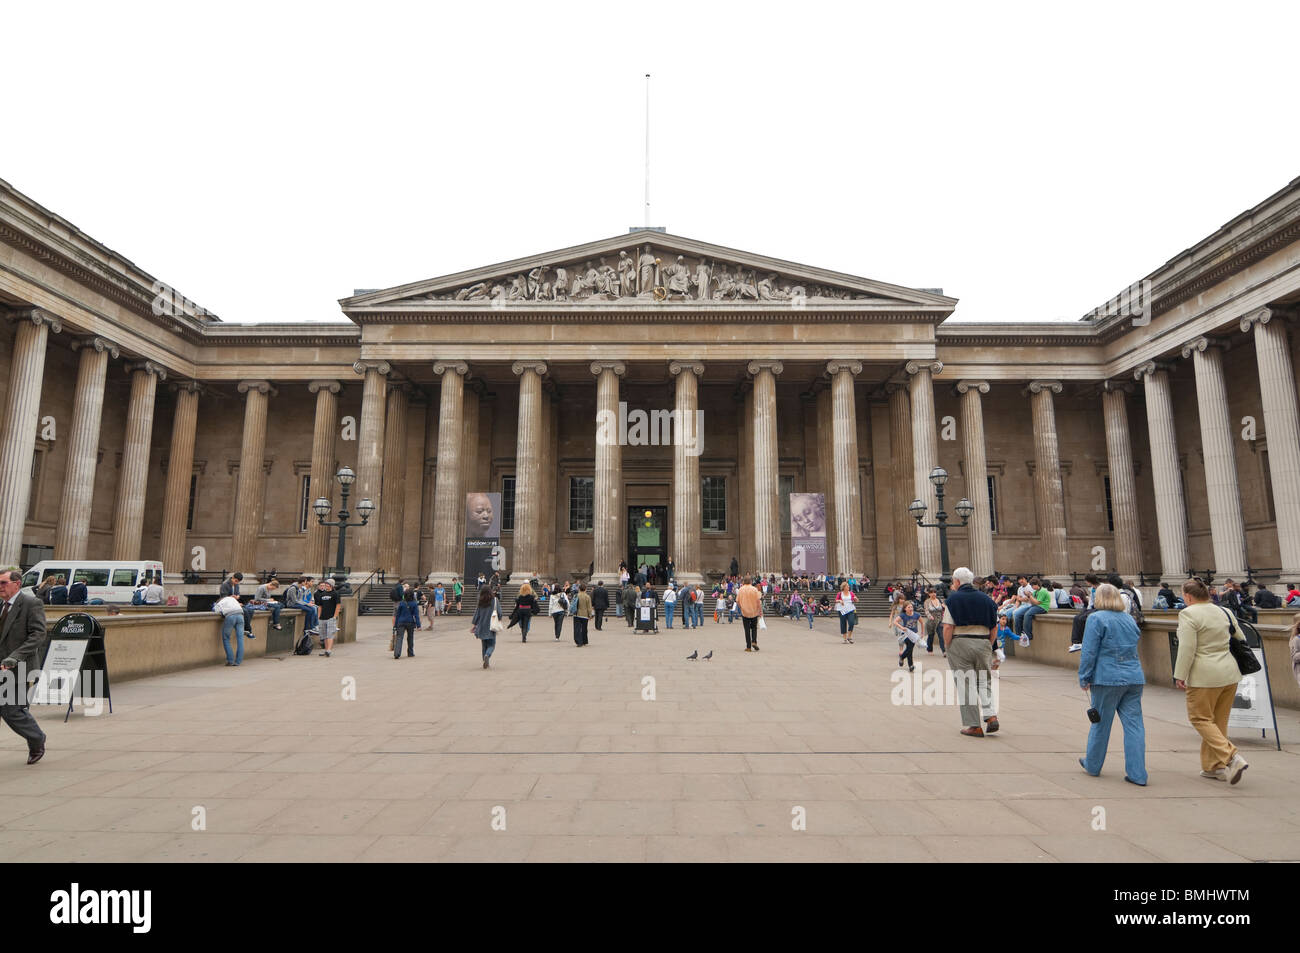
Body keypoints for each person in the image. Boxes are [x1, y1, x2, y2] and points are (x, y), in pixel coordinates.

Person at [1174, 577, 1248, 783]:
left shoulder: (1188, 613)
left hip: (1203, 675)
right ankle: (1212, 767)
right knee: (1217, 722)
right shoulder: (1224, 611)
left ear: (1188, 596)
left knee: (1200, 719)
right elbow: (1241, 637)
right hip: (1229, 672)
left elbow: (1187, 648)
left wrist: (1180, 674)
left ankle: (1231, 756)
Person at [1077, 583, 1147, 785]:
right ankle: (1138, 773)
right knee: (1134, 726)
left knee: (1100, 723)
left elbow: (1089, 651)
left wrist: (1084, 676)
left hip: (1107, 677)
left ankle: (1092, 764)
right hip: (1134, 677)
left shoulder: (1096, 618)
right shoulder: (1128, 619)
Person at [942, 567, 1001, 737]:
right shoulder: (988, 600)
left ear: (957, 582)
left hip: (960, 641)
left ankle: (974, 725)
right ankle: (991, 716)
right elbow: (994, 627)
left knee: (965, 683)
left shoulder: (953, 600)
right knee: (984, 681)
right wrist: (988, 644)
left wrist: (948, 646)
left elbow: (948, 626)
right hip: (983, 641)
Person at [0, 570, 49, 764]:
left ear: (17, 584)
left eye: (3, 583)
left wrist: (14, 657)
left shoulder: (32, 604)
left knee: (12, 711)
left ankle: (36, 739)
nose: (0, 587)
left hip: (18, 668)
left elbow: (37, 635)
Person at [470, 586, 500, 669]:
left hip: (482, 625)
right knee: (492, 645)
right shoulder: (495, 600)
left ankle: (485, 661)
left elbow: (477, 614)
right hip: (491, 625)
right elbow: (499, 613)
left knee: (484, 645)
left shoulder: (480, 601)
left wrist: (474, 624)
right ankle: (488, 655)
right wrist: (499, 618)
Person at [213, 592, 246, 666]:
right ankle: (238, 661)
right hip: (240, 615)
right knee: (240, 639)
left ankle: (230, 660)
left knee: (226, 638)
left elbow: (216, 611)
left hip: (230, 616)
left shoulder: (219, 603)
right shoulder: (232, 599)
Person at [314, 579, 341, 657]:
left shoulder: (335, 594)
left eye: (327, 585)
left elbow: (338, 605)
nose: (325, 586)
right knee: (324, 635)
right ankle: (326, 650)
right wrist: (318, 616)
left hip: (331, 617)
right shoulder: (322, 594)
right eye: (325, 584)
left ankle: (329, 650)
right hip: (322, 617)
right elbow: (320, 606)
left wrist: (335, 616)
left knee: (330, 634)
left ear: (331, 585)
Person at [893, 600, 922, 671]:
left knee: (910, 649)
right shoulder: (903, 615)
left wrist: (922, 633)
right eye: (909, 607)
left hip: (914, 635)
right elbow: (895, 622)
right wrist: (902, 627)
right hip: (906, 634)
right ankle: (911, 665)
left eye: (911, 607)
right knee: (910, 649)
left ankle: (902, 657)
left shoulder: (916, 614)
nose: (910, 608)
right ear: (905, 608)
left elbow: (922, 623)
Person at [736, 576, 763, 652]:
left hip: (745, 612)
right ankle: (754, 641)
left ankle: (748, 647)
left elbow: (737, 601)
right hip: (754, 611)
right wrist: (760, 611)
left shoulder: (741, 590)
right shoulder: (754, 589)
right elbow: (758, 601)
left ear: (744, 582)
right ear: (751, 581)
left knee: (747, 629)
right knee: (754, 628)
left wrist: (741, 607)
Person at [392, 590, 420, 658]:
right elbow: (416, 615)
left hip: (401, 622)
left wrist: (395, 625)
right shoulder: (414, 603)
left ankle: (397, 653)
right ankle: (410, 653)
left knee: (399, 638)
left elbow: (397, 615)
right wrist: (418, 625)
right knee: (410, 637)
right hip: (410, 622)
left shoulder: (401, 603)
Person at [923, 588, 946, 656]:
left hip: (939, 620)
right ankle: (930, 649)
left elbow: (942, 610)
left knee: (941, 635)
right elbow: (926, 611)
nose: (933, 594)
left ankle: (944, 651)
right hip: (931, 621)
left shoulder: (939, 600)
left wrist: (944, 607)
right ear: (929, 594)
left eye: (934, 592)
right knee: (931, 635)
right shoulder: (927, 601)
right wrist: (930, 616)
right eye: (932, 592)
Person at [573, 582, 593, 646]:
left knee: (577, 628)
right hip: (585, 615)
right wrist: (590, 615)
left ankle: (578, 641)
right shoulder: (587, 597)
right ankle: (584, 641)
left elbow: (573, 604)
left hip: (577, 614)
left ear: (579, 589)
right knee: (584, 628)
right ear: (585, 589)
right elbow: (589, 607)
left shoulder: (576, 595)